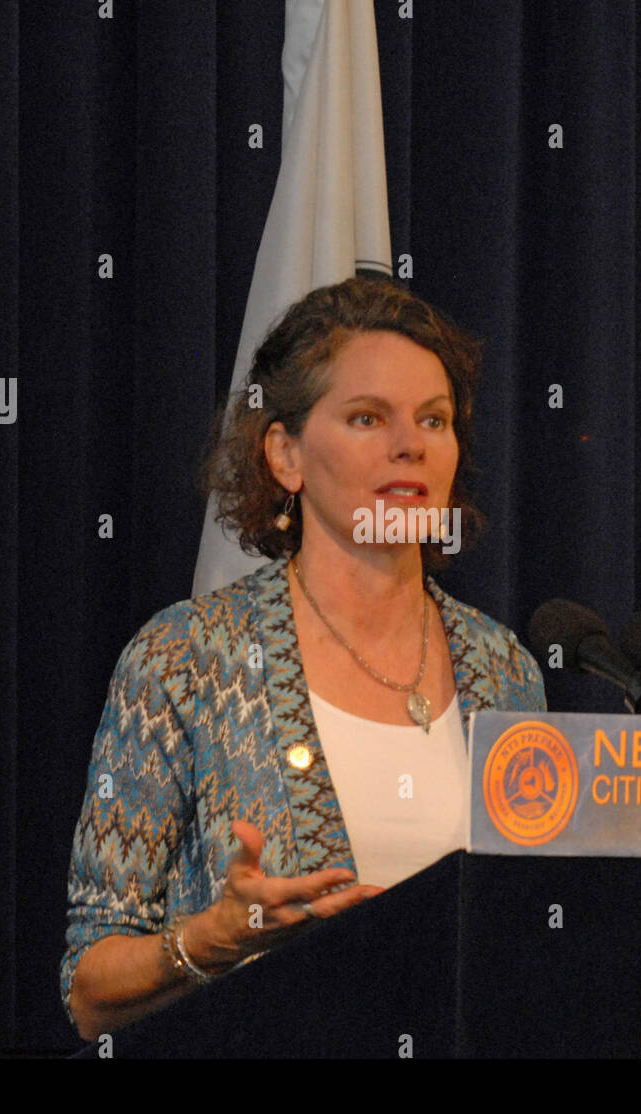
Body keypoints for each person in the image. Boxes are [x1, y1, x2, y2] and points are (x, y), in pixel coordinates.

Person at [61, 276, 547, 1040]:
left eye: (435, 419)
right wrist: (208, 940)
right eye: (366, 417)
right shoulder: (183, 661)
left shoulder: (508, 669)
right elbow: (89, 989)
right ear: (285, 454)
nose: (410, 444)